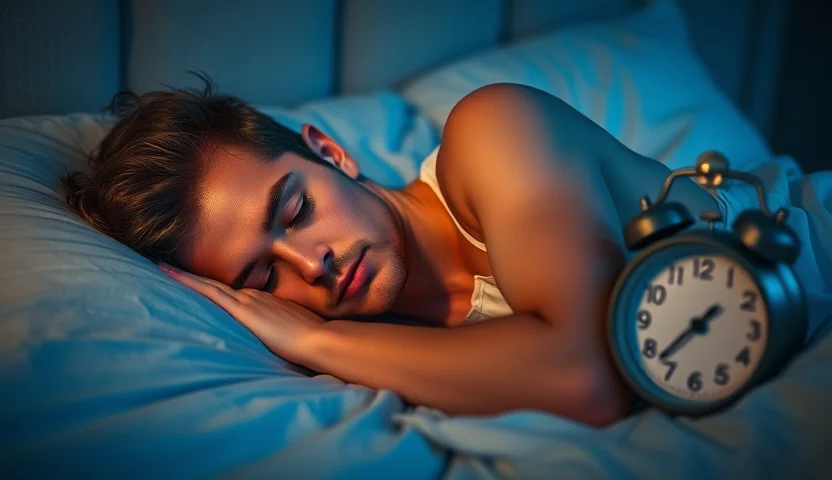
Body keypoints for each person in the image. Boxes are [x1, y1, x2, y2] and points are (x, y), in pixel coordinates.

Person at [61, 78, 718, 427]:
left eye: (296, 210)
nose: (310, 263)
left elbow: (591, 375)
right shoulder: (400, 351)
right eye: (263, 274)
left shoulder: (493, 130)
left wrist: (319, 342)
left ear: (330, 152)